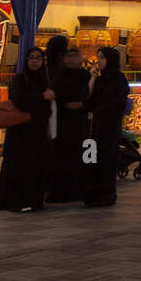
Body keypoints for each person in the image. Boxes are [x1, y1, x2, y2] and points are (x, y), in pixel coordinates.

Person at [0, 46, 53, 213]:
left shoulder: (45, 80)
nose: (35, 61)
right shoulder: (20, 79)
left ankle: (32, 200)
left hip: (37, 130)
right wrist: (41, 97)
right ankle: (17, 201)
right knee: (19, 165)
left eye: (38, 58)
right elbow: (19, 100)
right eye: (31, 58)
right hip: (21, 132)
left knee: (35, 165)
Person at [82, 47, 129, 207]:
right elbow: (88, 101)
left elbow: (119, 103)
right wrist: (93, 79)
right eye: (98, 58)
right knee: (91, 158)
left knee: (107, 159)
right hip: (95, 127)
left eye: (102, 58)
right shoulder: (100, 79)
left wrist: (103, 110)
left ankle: (106, 194)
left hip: (109, 127)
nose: (98, 61)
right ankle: (91, 193)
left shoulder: (118, 80)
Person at [47, 46, 91, 202]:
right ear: (64, 59)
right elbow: (53, 96)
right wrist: (65, 104)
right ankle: (60, 192)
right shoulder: (58, 76)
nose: (72, 59)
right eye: (69, 56)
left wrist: (82, 105)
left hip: (80, 122)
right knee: (61, 158)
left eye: (75, 56)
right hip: (62, 122)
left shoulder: (86, 76)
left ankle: (79, 190)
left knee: (82, 157)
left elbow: (91, 96)